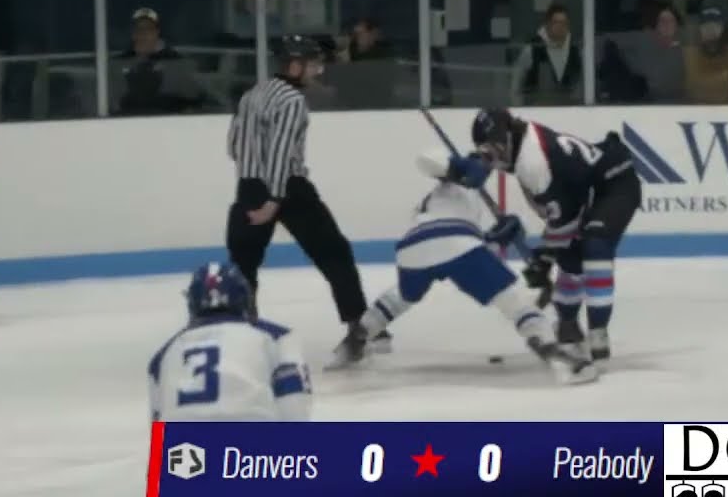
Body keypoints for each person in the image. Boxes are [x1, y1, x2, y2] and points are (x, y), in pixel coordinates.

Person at [327, 149, 597, 385]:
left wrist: (493, 238)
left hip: (414, 250)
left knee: (402, 296)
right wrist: (462, 167)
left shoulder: (454, 196)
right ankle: (555, 355)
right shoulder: (454, 181)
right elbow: (429, 160)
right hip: (455, 243)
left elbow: (463, 246)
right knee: (515, 301)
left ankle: (355, 341)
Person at [225, 35, 387, 351]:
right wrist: (274, 198)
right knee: (334, 251)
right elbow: (281, 152)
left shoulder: (252, 94)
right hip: (288, 187)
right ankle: (360, 324)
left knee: (244, 261)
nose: (318, 71)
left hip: (248, 184)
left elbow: (233, 145)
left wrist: (254, 188)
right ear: (295, 66)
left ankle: (242, 327)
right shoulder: (292, 101)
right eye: (313, 64)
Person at [471, 108, 641, 361]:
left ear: (507, 137)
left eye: (495, 148)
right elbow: (562, 215)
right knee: (570, 258)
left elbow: (565, 220)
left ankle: (598, 332)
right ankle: (568, 325)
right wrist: (550, 254)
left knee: (595, 246)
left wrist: (545, 256)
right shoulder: (520, 141)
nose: (494, 158)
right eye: (487, 151)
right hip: (585, 193)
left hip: (615, 183)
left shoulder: (533, 162)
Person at [148, 261, 312, 421]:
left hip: (181, 443)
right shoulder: (278, 337)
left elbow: (157, 425)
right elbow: (294, 407)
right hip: (249, 435)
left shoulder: (163, 354)